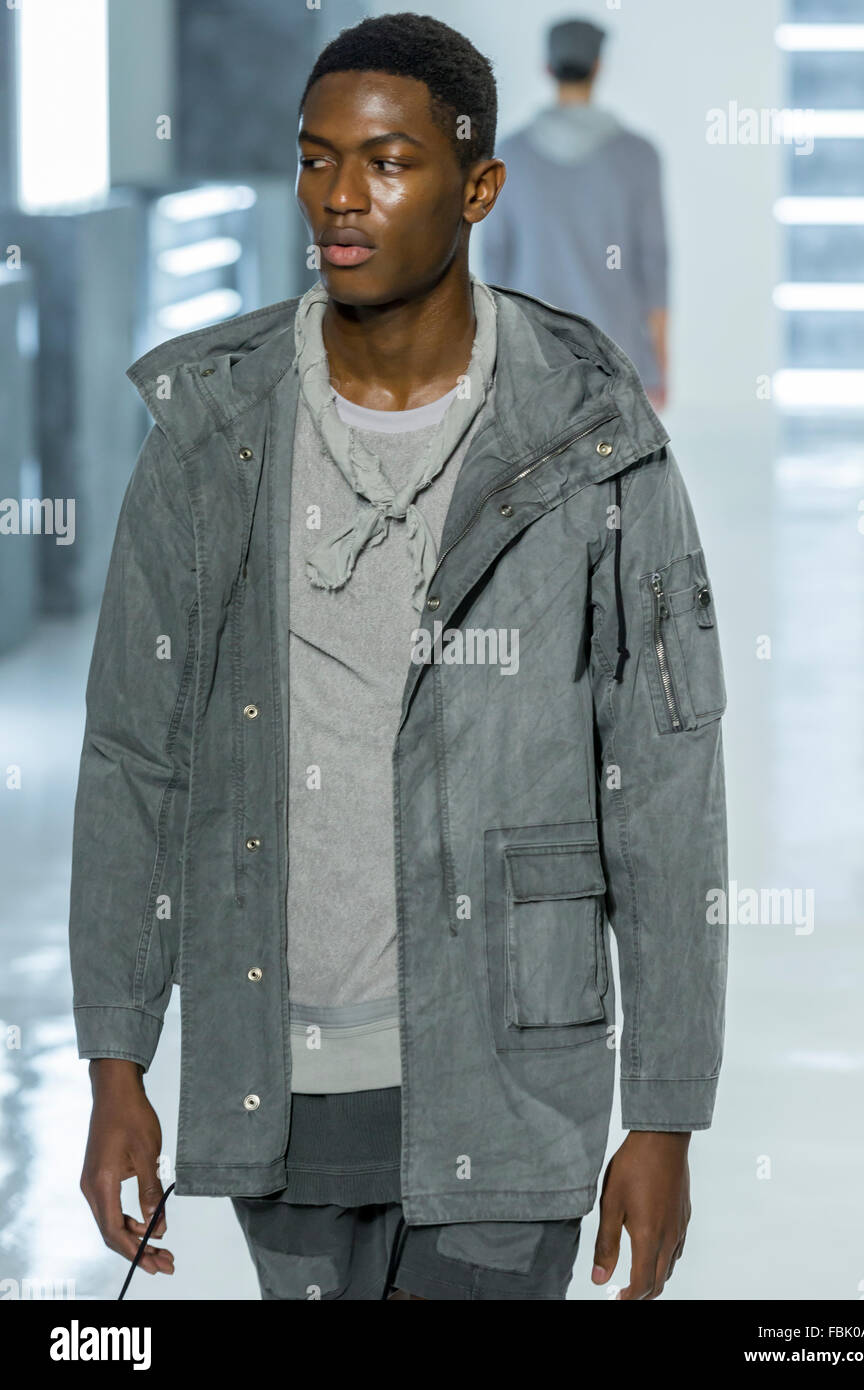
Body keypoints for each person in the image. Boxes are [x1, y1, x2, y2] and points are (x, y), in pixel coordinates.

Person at [70, 10, 728, 1302]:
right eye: (318, 159)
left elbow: (662, 784)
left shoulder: (592, 436)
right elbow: (135, 756)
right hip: (275, 1072)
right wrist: (115, 1062)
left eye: (387, 160)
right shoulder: (212, 428)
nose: (340, 197)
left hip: (506, 1071)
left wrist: (662, 1114)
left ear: (477, 186)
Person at [481, 18, 669, 410]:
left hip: (529, 356)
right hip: (618, 355)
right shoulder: (638, 156)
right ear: (599, 67)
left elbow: (494, 266)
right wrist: (659, 364)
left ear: (547, 68)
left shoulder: (509, 156)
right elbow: (653, 264)